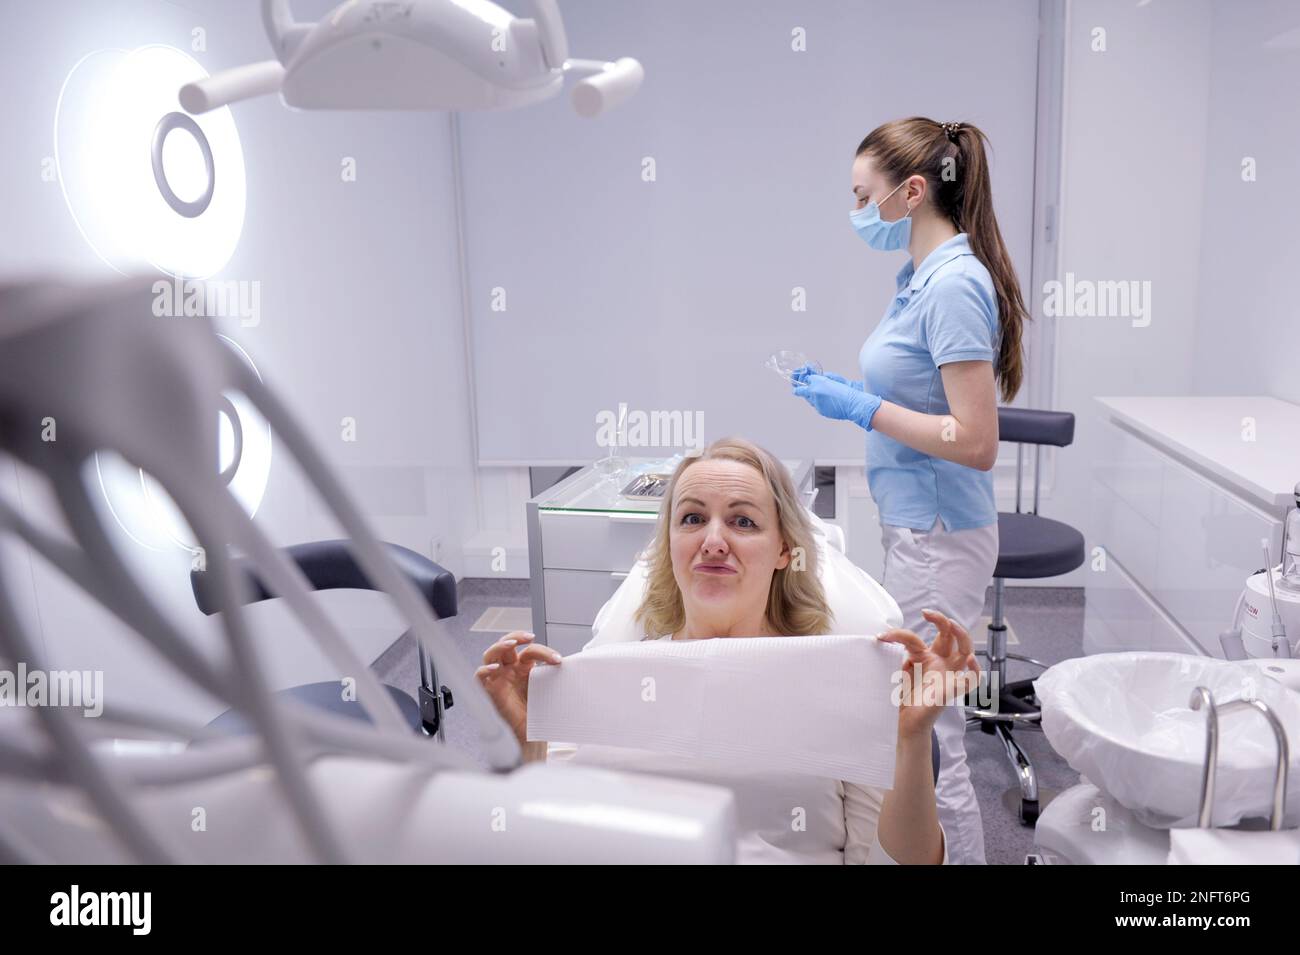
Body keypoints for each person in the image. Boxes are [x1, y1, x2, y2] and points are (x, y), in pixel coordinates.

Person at [477, 436, 980, 864]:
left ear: (785, 550)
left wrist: (909, 742)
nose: (713, 541)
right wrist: (530, 746)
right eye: (692, 519)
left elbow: (900, 861)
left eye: (743, 523)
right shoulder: (610, 674)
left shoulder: (836, 680)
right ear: (669, 543)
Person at [791, 117, 1030, 864]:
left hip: (939, 533)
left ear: (913, 191)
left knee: (932, 731)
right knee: (923, 719)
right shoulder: (920, 278)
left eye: (864, 196)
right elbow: (923, 394)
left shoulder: (956, 284)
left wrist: (862, 407)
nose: (858, 210)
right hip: (919, 525)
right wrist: (849, 390)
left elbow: (977, 440)